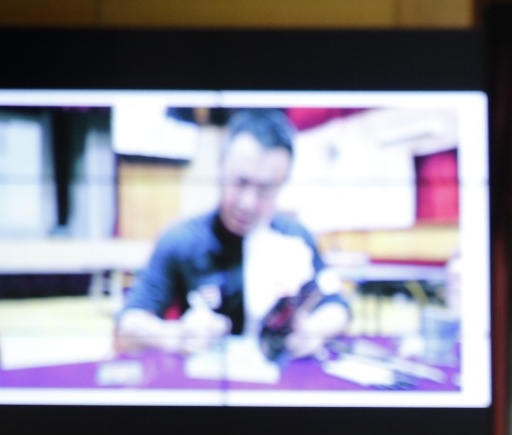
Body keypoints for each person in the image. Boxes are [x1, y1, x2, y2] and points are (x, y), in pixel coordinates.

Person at [115, 108, 349, 358]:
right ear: (221, 167)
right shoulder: (182, 238)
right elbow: (129, 322)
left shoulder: (296, 236)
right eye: (240, 182)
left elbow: (337, 305)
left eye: (265, 190)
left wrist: (313, 330)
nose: (248, 203)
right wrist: (175, 335)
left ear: (283, 184)